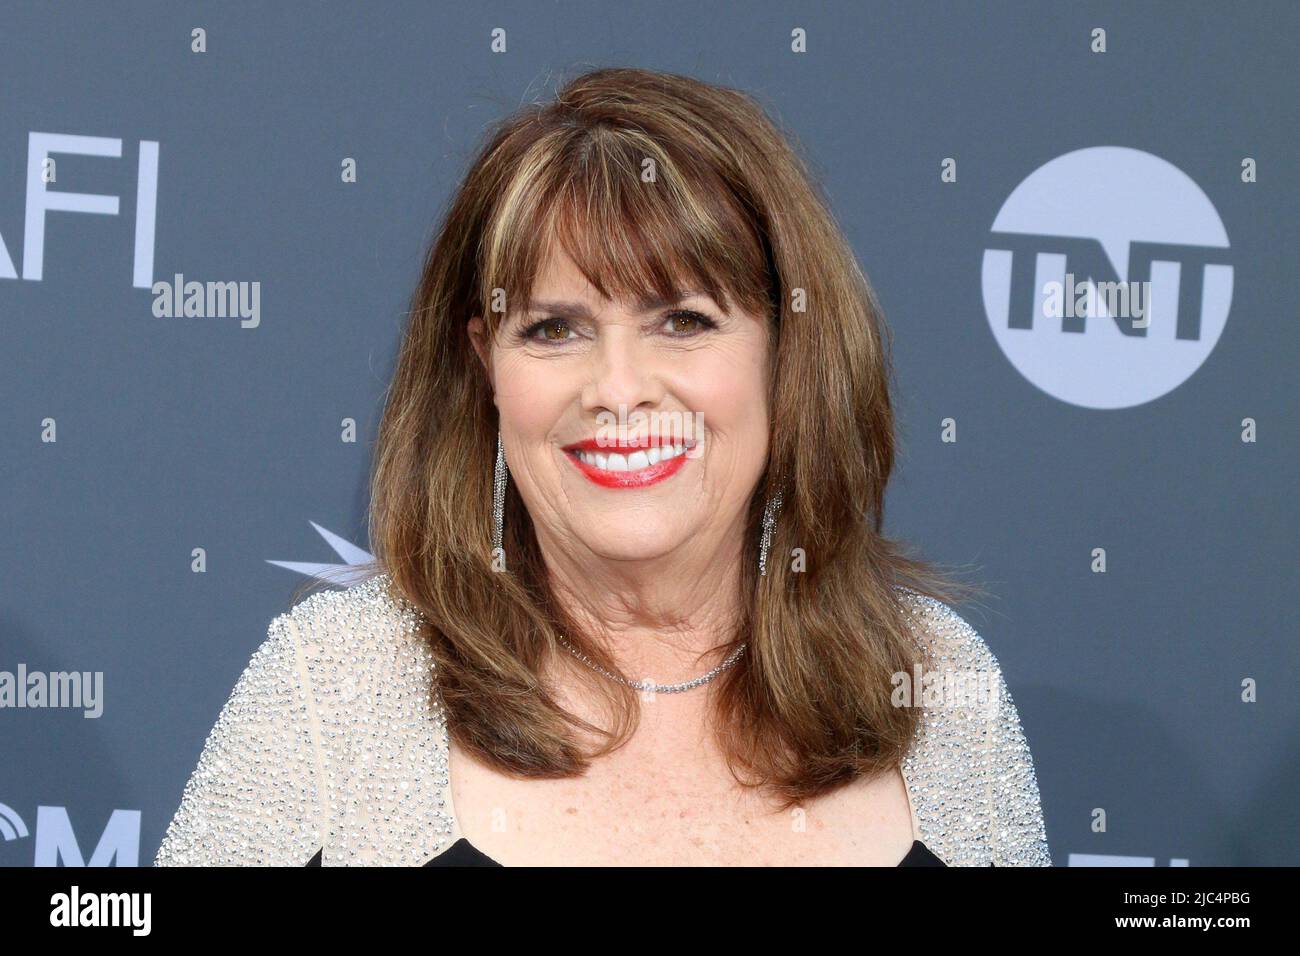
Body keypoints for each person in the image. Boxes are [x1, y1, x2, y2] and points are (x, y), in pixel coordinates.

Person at [154, 66, 1051, 867]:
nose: (617, 390)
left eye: (684, 321)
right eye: (554, 329)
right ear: (486, 368)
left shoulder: (930, 676)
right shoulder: (340, 682)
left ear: (788, 354)